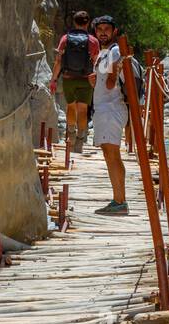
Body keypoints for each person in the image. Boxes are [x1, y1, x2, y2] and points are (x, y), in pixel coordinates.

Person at [91, 16, 130, 216]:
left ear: (114, 31)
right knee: (109, 155)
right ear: (95, 32)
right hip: (105, 109)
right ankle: (118, 199)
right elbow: (104, 82)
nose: (103, 32)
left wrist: (110, 75)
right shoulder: (104, 53)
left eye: (107, 29)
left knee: (113, 155)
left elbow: (110, 82)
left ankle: (120, 200)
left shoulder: (114, 51)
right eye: (100, 29)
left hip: (111, 109)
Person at [50, 11, 99, 152]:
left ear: (74, 22)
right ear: (88, 23)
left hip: (68, 78)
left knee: (71, 107)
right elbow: (96, 63)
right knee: (83, 110)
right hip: (86, 79)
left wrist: (53, 80)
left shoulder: (65, 39)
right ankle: (79, 141)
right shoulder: (93, 41)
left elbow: (58, 61)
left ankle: (70, 136)